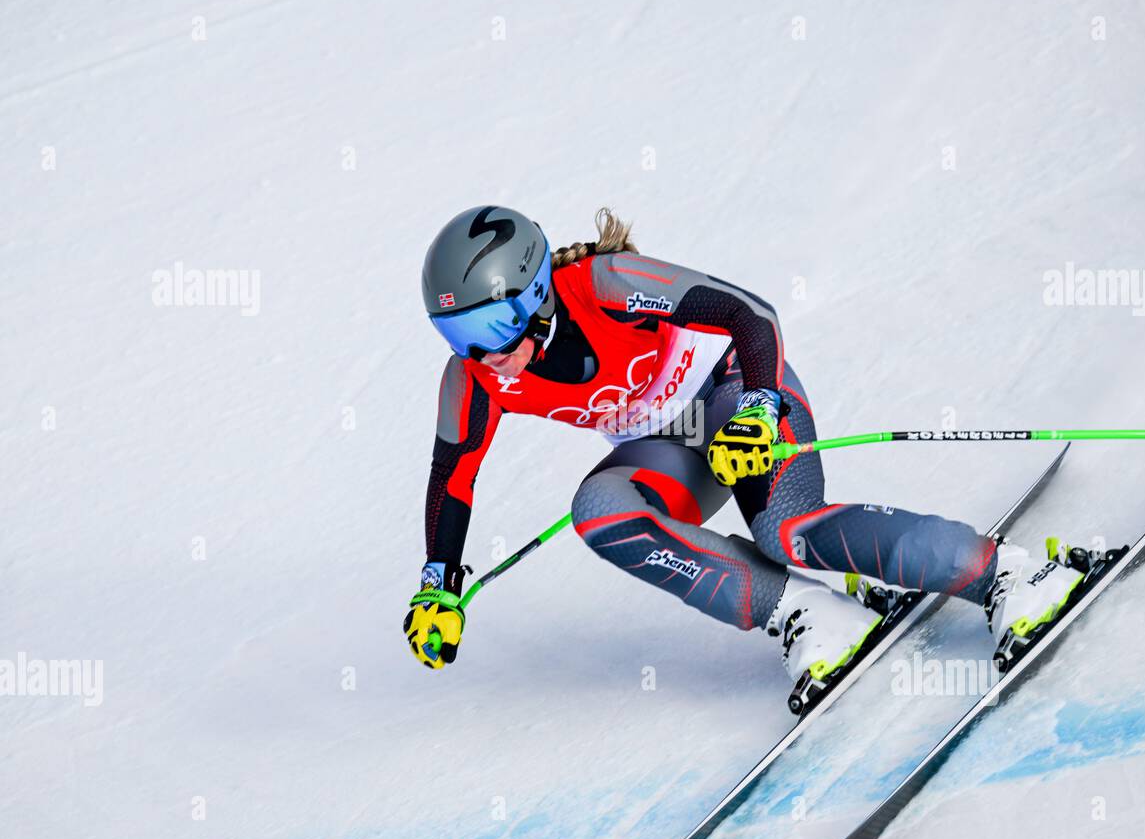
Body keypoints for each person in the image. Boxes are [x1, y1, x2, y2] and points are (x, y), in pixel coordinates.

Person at [403, 206, 1084, 690]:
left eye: (491, 328)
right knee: (599, 510)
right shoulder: (476, 378)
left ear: (534, 296)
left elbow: (749, 314)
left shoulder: (605, 284)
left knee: (788, 531)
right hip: (670, 447)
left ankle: (1009, 573)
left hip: (739, 390)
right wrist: (439, 586)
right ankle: (808, 613)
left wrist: (759, 409)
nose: (480, 354)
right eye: (458, 337)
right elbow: (452, 479)